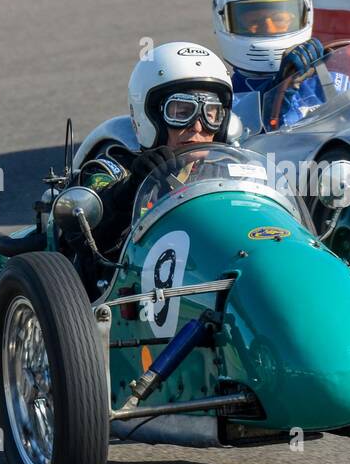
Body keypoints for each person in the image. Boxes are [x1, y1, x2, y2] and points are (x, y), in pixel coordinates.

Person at [65, 42, 233, 288]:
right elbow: (83, 233)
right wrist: (131, 188)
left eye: (211, 113)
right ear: (150, 116)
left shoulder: (229, 172)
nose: (198, 126)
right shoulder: (113, 167)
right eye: (181, 111)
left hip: (208, 281)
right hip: (126, 295)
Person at [211, 0, 349, 128]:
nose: (269, 28)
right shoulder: (225, 98)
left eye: (279, 19)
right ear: (222, 21)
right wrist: (279, 90)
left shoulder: (331, 82)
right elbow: (249, 139)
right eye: (254, 21)